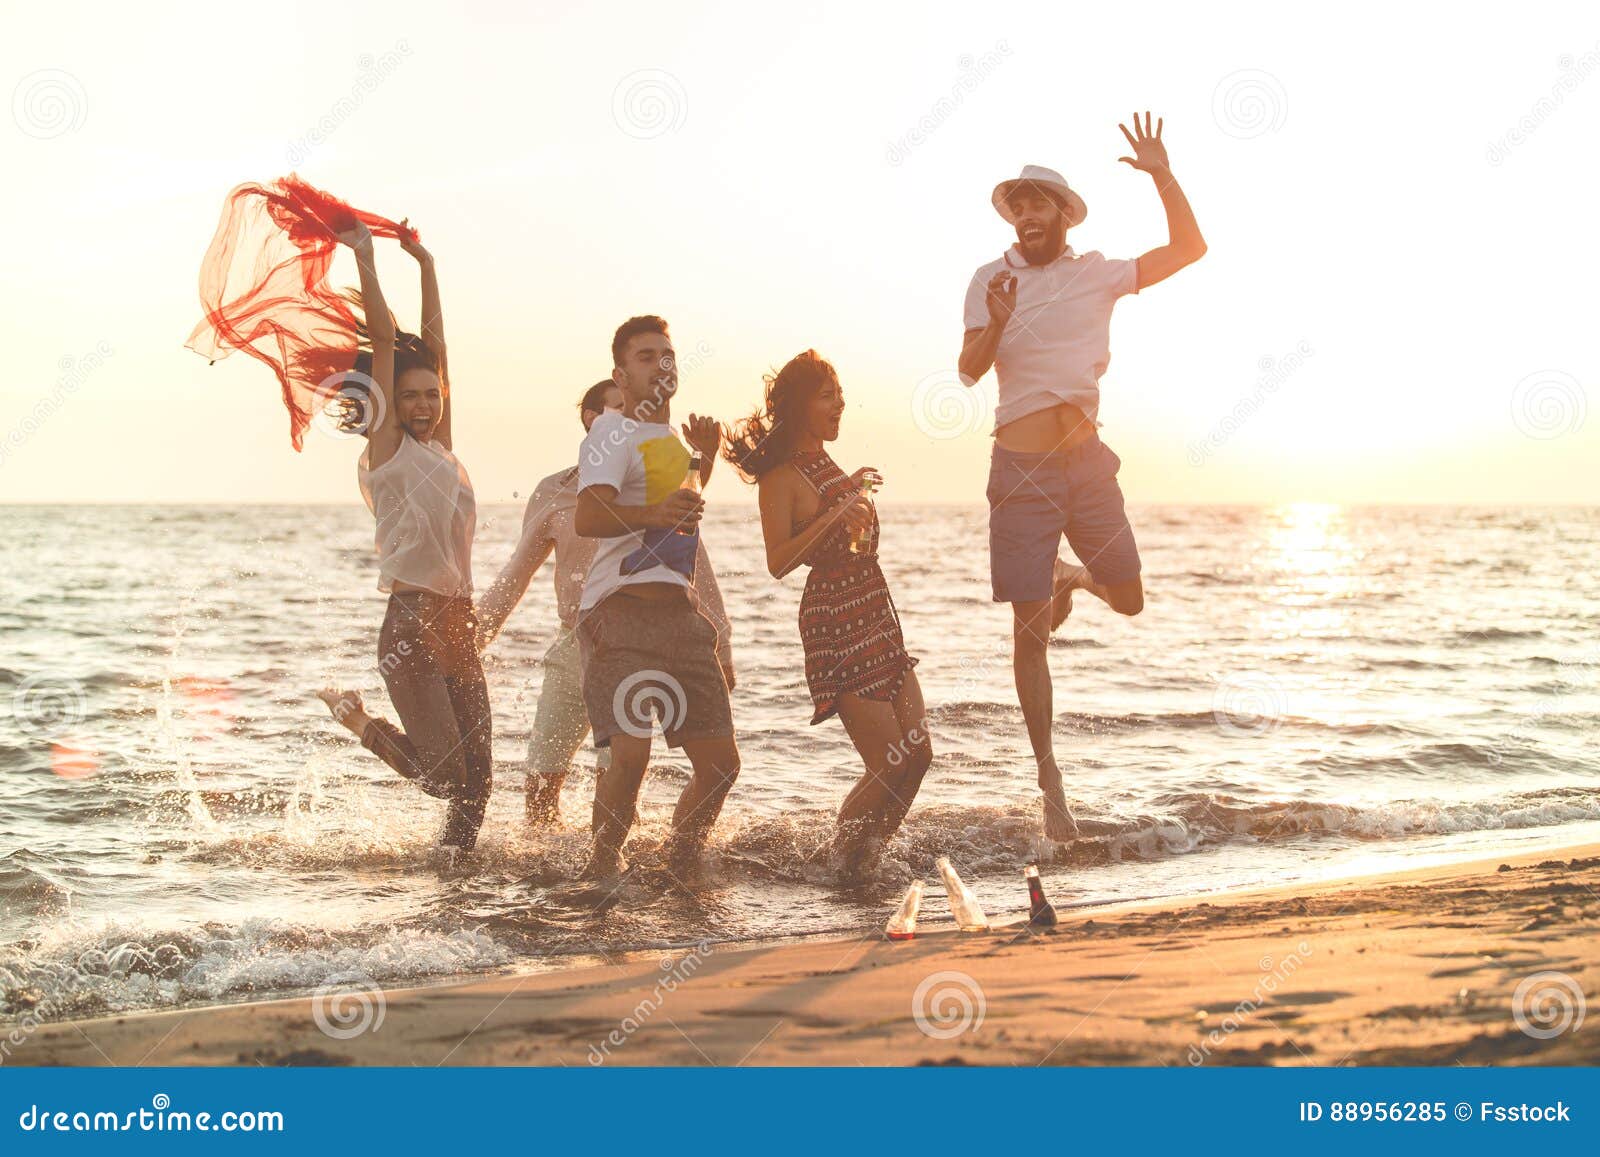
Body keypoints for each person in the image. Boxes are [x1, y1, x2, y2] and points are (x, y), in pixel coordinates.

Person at [957, 112, 1207, 840]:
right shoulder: (988, 280)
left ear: (1064, 214)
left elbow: (1190, 248)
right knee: (1028, 633)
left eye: (1041, 202)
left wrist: (1162, 173)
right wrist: (998, 321)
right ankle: (1051, 784)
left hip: (1088, 463)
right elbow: (970, 370)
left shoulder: (1098, 273)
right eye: (1019, 203)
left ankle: (1077, 578)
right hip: (1022, 469)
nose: (1028, 213)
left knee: (1127, 597)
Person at [475, 380, 736, 826]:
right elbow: (518, 570)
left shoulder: (655, 481)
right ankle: (547, 873)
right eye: (617, 410)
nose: (632, 420)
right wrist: (475, 637)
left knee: (619, 773)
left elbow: (693, 564)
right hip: (573, 644)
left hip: (630, 641)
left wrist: (722, 643)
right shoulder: (554, 490)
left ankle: (611, 874)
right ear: (592, 422)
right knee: (541, 783)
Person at [315, 221, 492, 860]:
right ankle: (357, 720)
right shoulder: (386, 449)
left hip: (459, 623)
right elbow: (388, 338)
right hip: (413, 627)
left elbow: (437, 347)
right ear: (387, 400)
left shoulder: (442, 450)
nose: (422, 404)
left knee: (480, 786)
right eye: (408, 395)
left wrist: (427, 263)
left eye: (430, 395)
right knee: (448, 779)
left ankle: (454, 886)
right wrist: (365, 255)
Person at [724, 351, 931, 875]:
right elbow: (779, 561)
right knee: (888, 763)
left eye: (839, 394)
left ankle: (871, 858)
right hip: (835, 618)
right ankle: (841, 865)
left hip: (874, 608)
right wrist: (840, 510)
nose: (840, 404)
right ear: (798, 407)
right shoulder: (781, 477)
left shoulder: (828, 462)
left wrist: (852, 502)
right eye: (827, 395)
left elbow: (854, 542)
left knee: (918, 753)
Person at [572, 316, 740, 879]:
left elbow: (677, 512)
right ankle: (601, 872)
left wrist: (705, 461)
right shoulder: (611, 432)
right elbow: (590, 514)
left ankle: (679, 864)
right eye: (645, 357)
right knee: (632, 756)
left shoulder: (670, 441)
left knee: (720, 766)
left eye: (666, 355)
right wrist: (654, 513)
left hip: (680, 614)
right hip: (618, 613)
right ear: (620, 375)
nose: (660, 365)